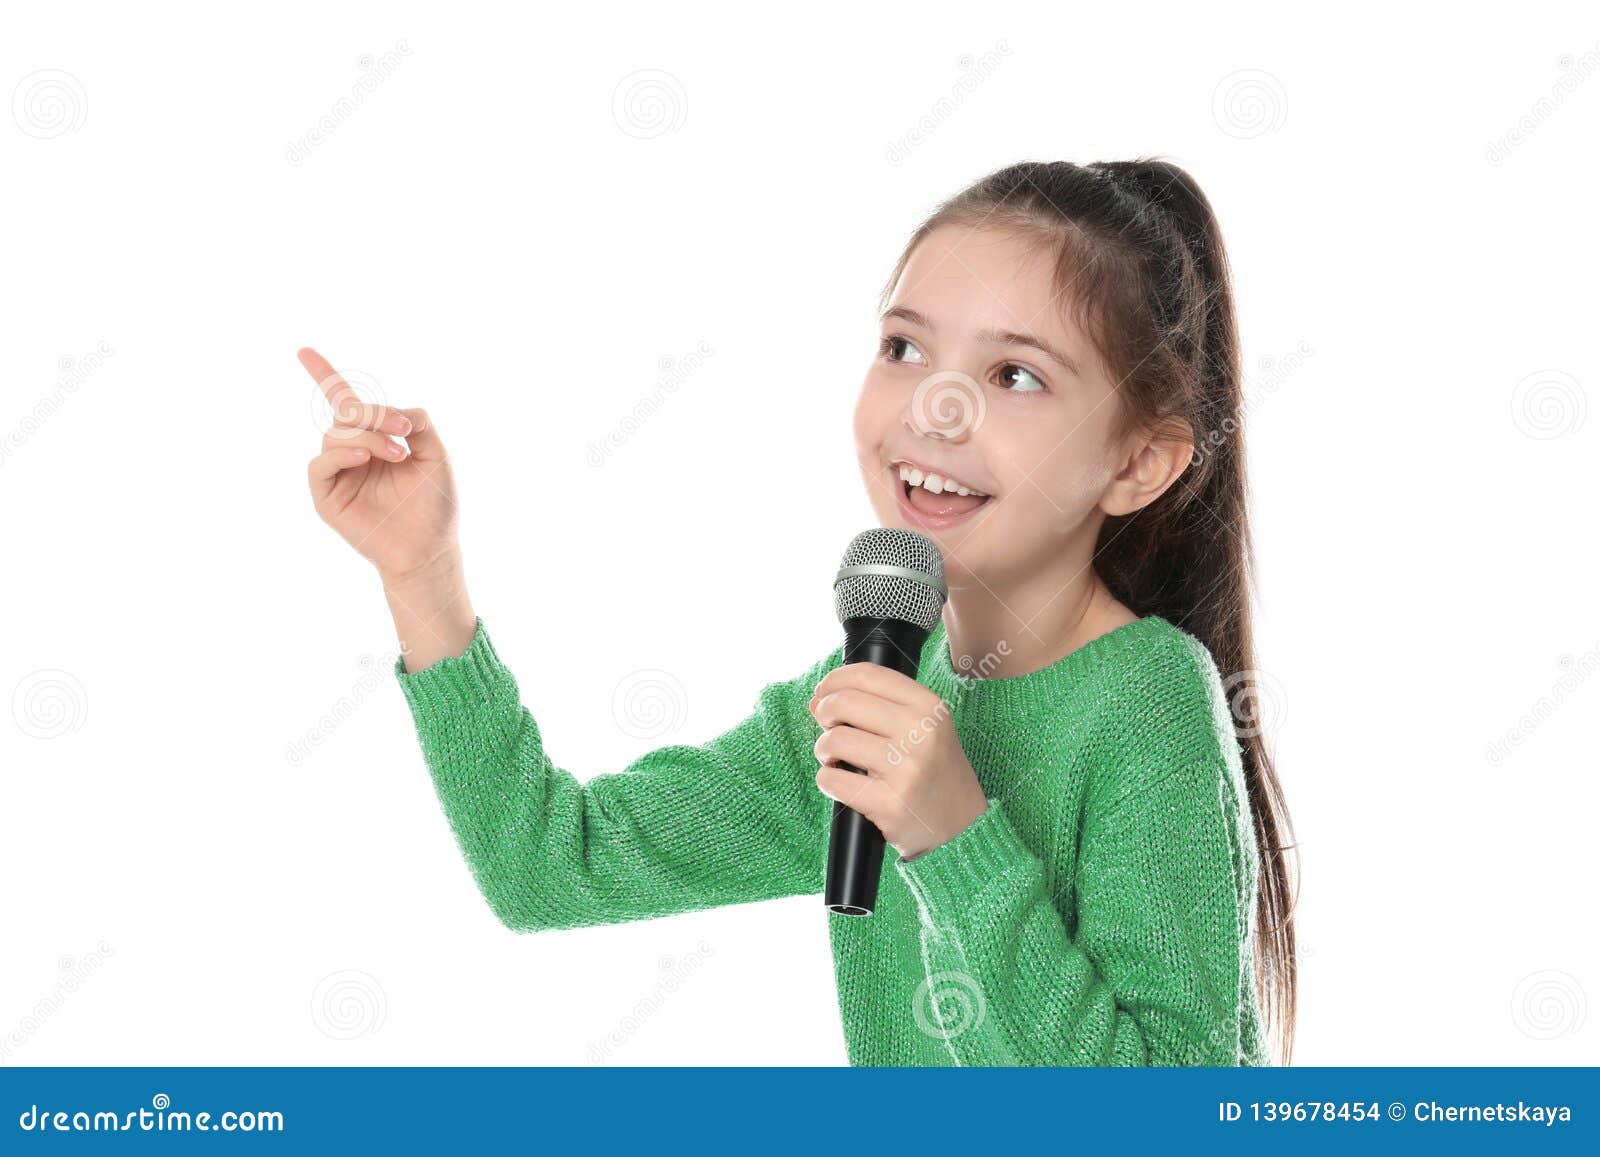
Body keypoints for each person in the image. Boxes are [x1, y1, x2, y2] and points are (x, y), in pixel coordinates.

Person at [299, 157, 1297, 1067]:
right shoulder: (857, 700)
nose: (934, 410)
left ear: (1137, 462)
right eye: (904, 346)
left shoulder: (1145, 697)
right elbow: (548, 865)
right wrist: (422, 575)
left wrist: (956, 835)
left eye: (1014, 374)